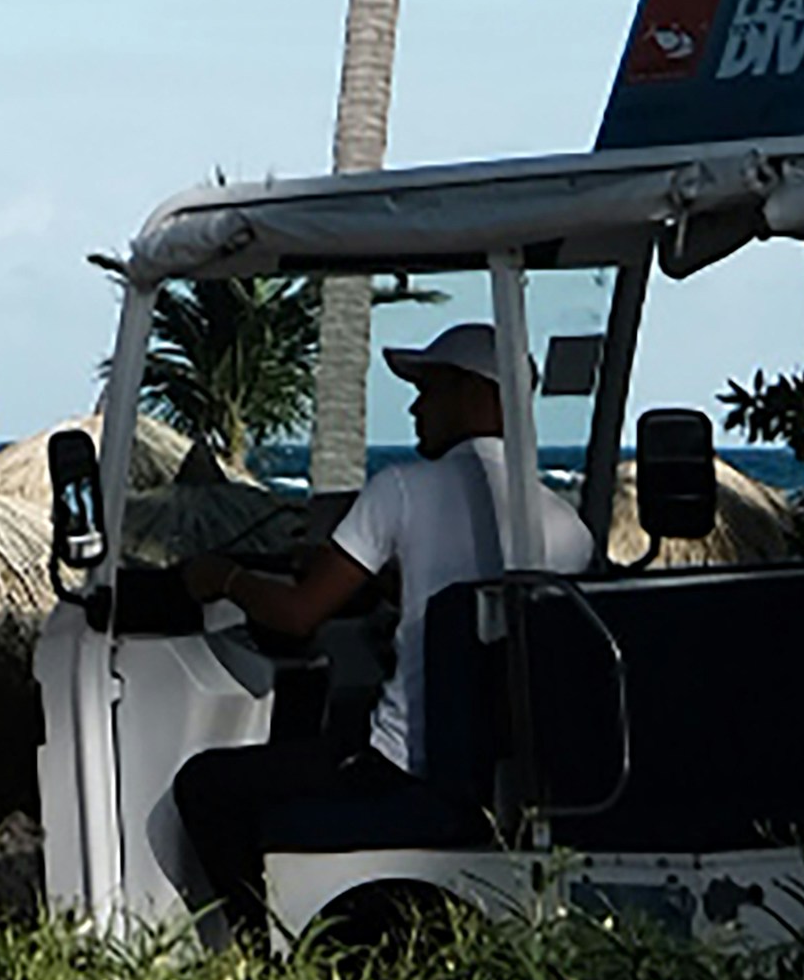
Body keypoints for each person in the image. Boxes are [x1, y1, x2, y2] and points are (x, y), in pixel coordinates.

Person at [167, 320, 591, 938]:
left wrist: (223, 578)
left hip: (406, 769)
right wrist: (389, 586)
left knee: (206, 785)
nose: (416, 404)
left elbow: (297, 615)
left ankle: (258, 956)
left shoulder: (401, 490)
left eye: (431, 388)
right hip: (515, 784)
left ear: (479, 396)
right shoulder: (568, 526)